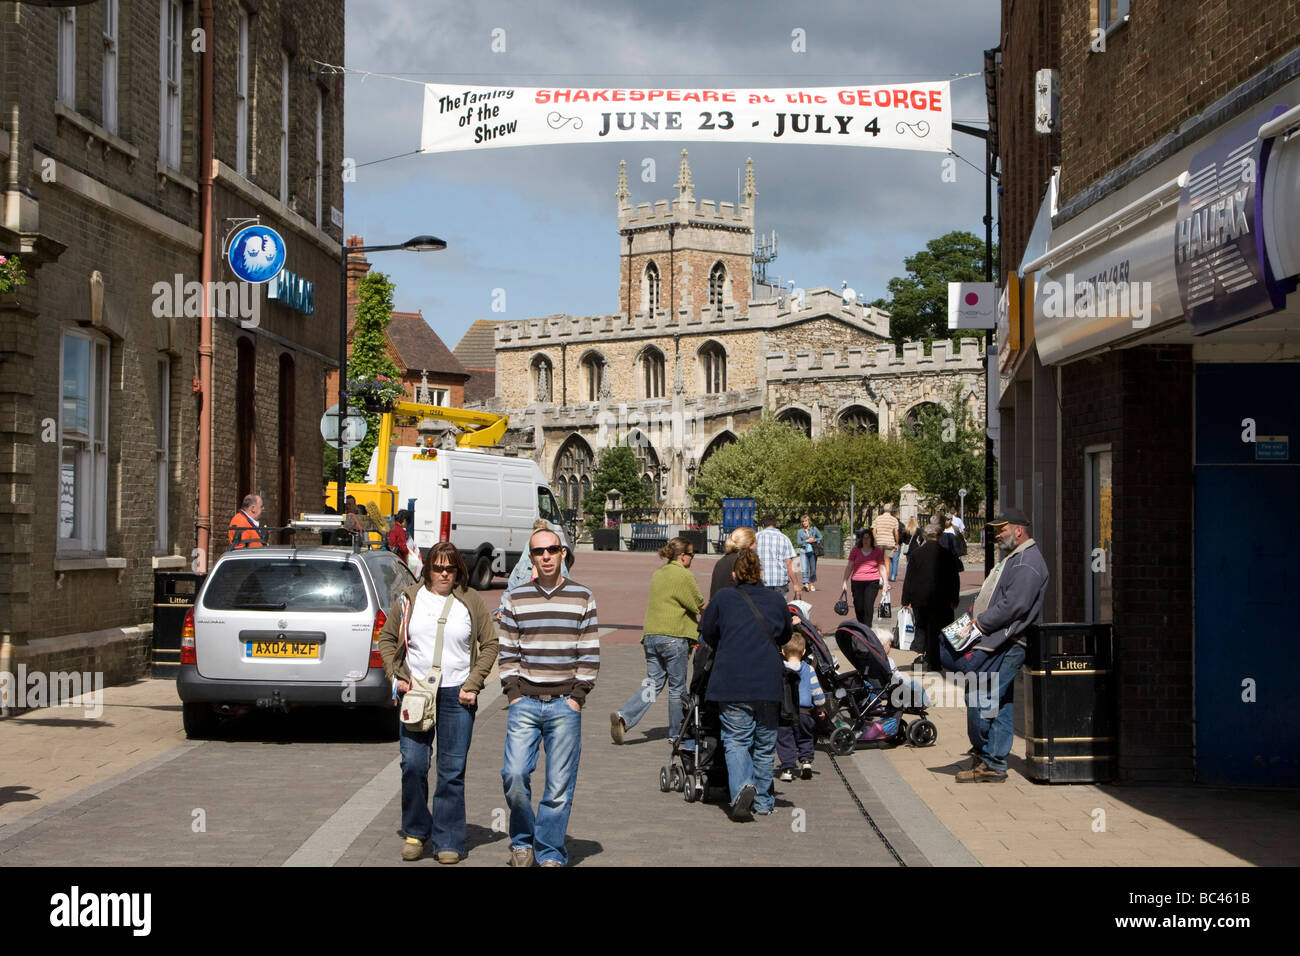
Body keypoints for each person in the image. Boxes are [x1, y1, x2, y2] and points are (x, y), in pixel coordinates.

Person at [377, 541, 498, 863]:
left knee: (451, 770)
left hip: (457, 694)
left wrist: (474, 684)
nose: (444, 574)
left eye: (450, 568)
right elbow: (387, 639)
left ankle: (449, 839)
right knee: (413, 764)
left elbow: (490, 644)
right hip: (416, 693)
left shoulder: (471, 601)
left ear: (459, 570)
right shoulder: (409, 599)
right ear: (427, 569)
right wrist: (396, 674)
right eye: (438, 568)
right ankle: (416, 831)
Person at [499, 527, 599, 866]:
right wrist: (513, 694)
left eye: (552, 550)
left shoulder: (583, 596)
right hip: (524, 701)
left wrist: (577, 696)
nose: (546, 556)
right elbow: (508, 650)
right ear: (531, 558)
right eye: (539, 551)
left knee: (558, 786)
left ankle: (550, 851)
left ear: (562, 554)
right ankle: (522, 841)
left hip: (564, 704)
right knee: (514, 776)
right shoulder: (516, 598)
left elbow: (588, 652)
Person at [955, 508, 1049, 783]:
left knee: (981, 697)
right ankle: (993, 763)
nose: (997, 535)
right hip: (1001, 640)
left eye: (1002, 529)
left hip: (1008, 641)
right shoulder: (1016, 558)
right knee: (1000, 701)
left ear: (1019, 530)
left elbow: (1014, 605)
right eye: (996, 530)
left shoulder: (1026, 562)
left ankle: (985, 755)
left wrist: (980, 623)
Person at [698, 549, 792, 820]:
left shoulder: (724, 598)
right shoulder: (776, 599)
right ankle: (763, 801)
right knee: (764, 744)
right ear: (761, 574)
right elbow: (785, 634)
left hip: (732, 680)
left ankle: (741, 789)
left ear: (734, 575)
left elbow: (708, 632)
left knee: (737, 740)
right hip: (767, 681)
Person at [610, 537, 704, 745]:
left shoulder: (659, 574)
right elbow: (698, 604)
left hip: (652, 636)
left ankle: (624, 715)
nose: (693, 559)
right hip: (674, 635)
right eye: (692, 555)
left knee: (653, 683)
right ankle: (676, 733)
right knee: (677, 688)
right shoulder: (684, 575)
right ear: (682, 556)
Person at [900, 521, 960, 671]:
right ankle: (937, 660)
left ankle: (927, 657)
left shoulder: (916, 554)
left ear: (925, 536)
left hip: (921, 598)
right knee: (940, 629)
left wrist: (905, 599)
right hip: (942, 598)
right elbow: (954, 578)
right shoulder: (947, 554)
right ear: (939, 536)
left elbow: (910, 578)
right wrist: (954, 597)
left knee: (924, 628)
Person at [775, 632, 826, 782]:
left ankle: (788, 769)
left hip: (785, 712)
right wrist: (820, 708)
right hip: (805, 712)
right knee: (805, 737)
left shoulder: (780, 669)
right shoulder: (809, 669)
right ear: (804, 652)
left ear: (783, 652)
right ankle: (806, 762)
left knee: (785, 740)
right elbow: (817, 691)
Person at [496, 519, 558, 620]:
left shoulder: (556, 565)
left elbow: (563, 592)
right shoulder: (522, 567)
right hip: (522, 617)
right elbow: (510, 590)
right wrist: (502, 609)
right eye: (537, 549)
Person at [839, 529, 884, 625]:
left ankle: (867, 628)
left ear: (871, 539)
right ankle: (861, 624)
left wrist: (886, 582)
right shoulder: (855, 550)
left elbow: (881, 567)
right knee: (858, 606)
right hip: (857, 581)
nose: (866, 540)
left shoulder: (877, 551)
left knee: (868, 605)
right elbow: (849, 566)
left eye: (868, 538)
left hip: (872, 581)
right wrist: (844, 581)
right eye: (864, 538)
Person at [755, 514, 802, 598]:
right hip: (780, 580)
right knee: (780, 609)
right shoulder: (784, 538)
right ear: (775, 525)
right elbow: (789, 563)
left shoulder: (756, 537)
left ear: (763, 525)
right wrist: (796, 584)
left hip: (760, 580)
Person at [710, 526, 756, 599]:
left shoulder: (723, 560)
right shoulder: (742, 561)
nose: (756, 546)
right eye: (755, 543)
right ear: (749, 544)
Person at [872, 504, 901, 583]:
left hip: (879, 542)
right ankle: (885, 582)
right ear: (891, 510)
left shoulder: (878, 518)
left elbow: (874, 530)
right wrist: (896, 543)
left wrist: (875, 540)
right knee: (887, 563)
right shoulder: (894, 520)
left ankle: (879, 579)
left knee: (879, 562)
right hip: (889, 542)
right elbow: (896, 533)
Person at [795, 515, 823, 592]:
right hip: (803, 551)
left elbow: (821, 537)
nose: (804, 523)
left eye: (806, 521)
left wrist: (814, 540)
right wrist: (806, 541)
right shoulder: (800, 531)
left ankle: (812, 583)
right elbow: (798, 542)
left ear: (809, 521)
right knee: (804, 568)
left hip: (813, 551)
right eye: (803, 521)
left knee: (813, 568)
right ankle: (806, 583)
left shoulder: (814, 529)